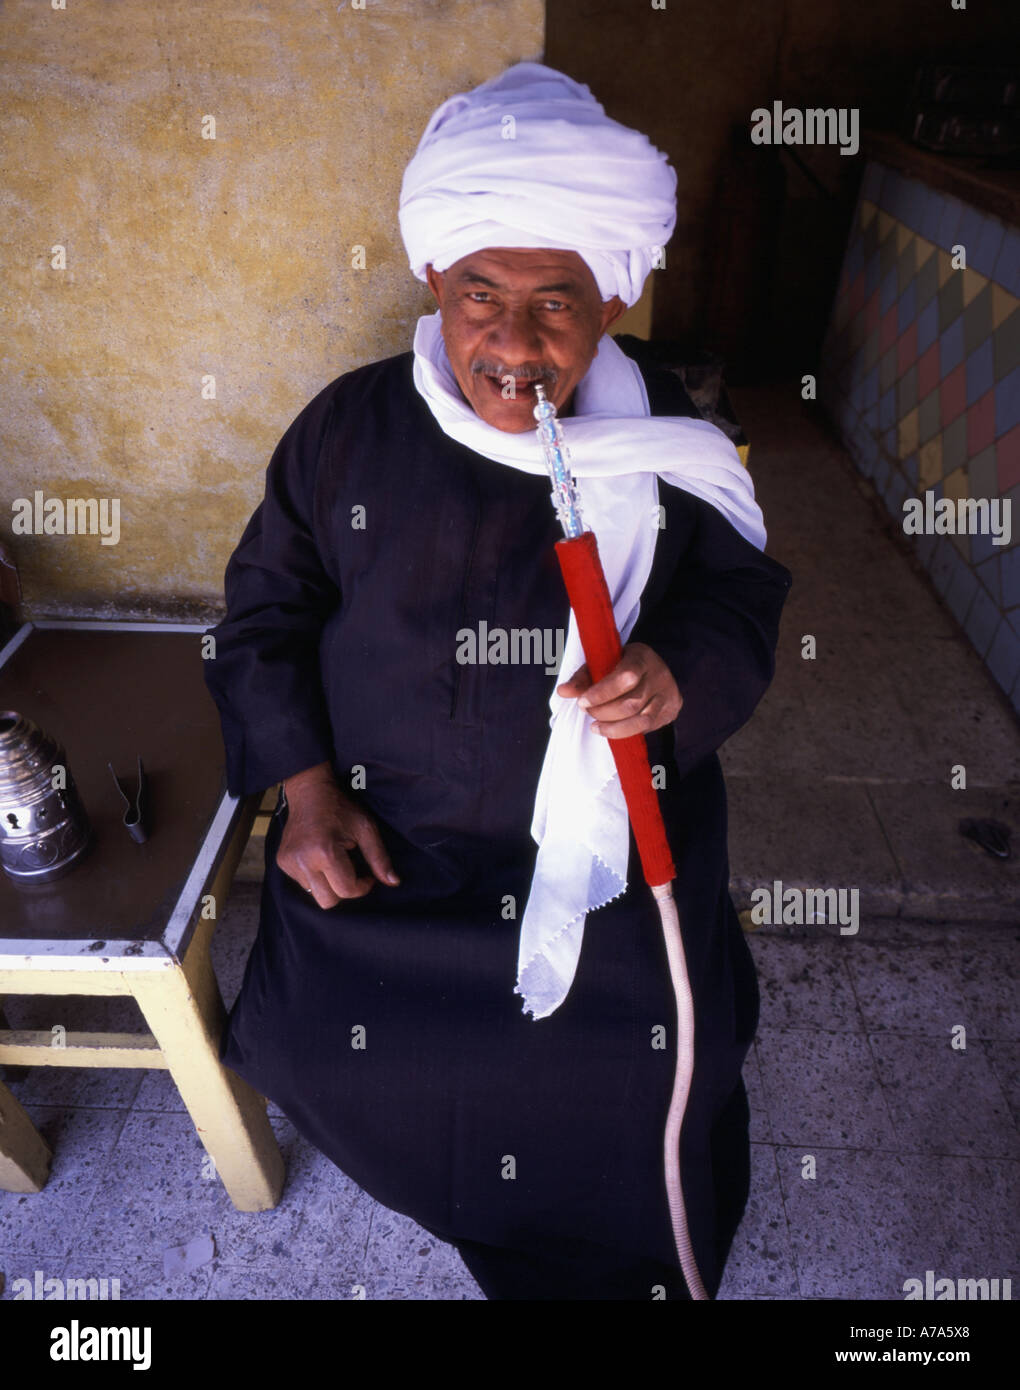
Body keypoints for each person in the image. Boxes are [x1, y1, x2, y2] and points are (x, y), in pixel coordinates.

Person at [203, 62, 792, 1301]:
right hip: (391, 842)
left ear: (615, 296)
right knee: (321, 1045)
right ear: (434, 280)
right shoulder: (347, 432)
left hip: (609, 850)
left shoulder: (673, 442)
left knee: (651, 1061)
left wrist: (676, 677)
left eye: (557, 301)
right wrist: (304, 793)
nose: (515, 343)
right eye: (482, 293)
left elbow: (742, 600)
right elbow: (260, 612)